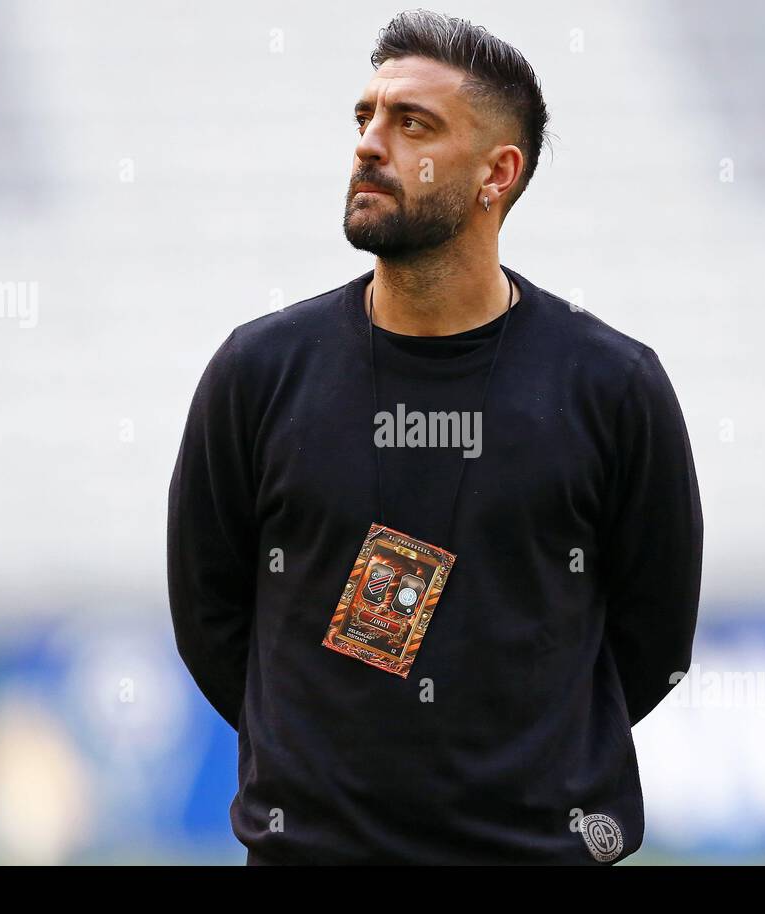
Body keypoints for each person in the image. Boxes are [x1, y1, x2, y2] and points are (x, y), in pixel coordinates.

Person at [167, 9, 703, 865]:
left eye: (411, 123)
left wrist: (518, 777)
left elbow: (652, 639)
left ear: (498, 172)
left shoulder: (611, 386)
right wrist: (323, 770)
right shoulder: (259, 372)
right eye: (365, 117)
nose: (370, 144)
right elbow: (209, 617)